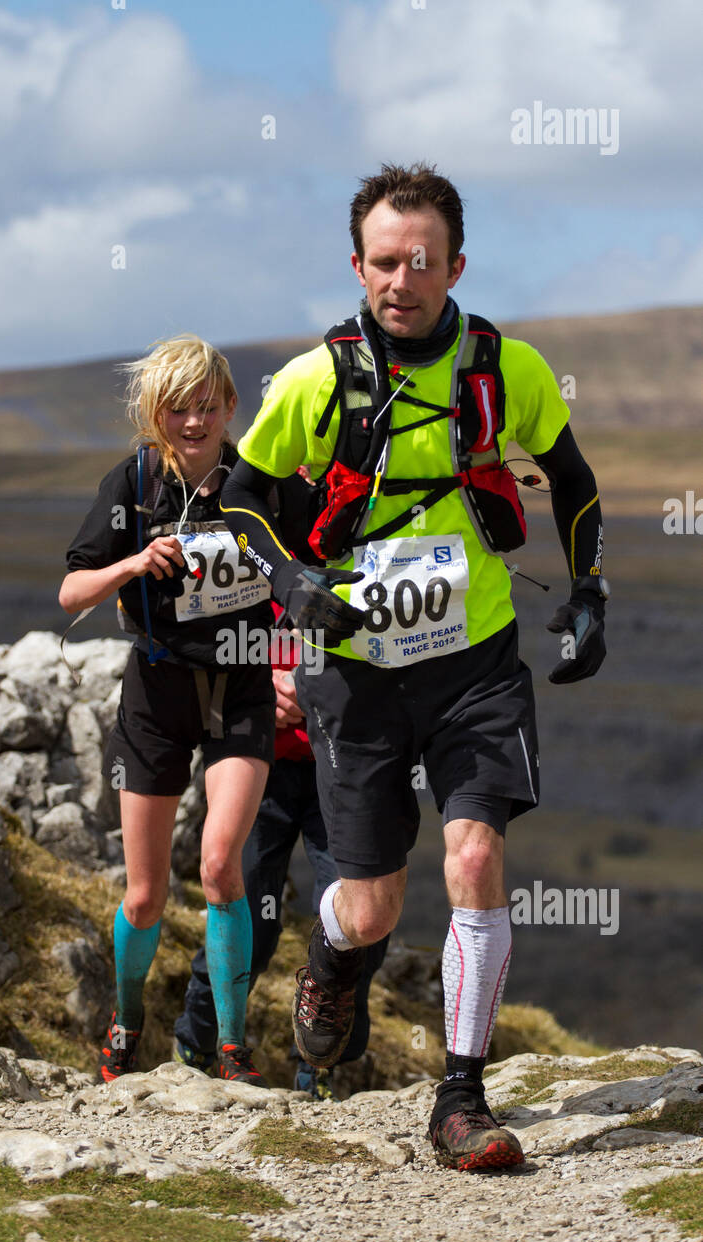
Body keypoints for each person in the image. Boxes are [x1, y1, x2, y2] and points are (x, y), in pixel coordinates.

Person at [218, 163, 608, 1169]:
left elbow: (571, 482)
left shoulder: (504, 369)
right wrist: (292, 580)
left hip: (474, 659)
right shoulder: (313, 382)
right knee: (373, 902)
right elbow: (241, 499)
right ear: (357, 265)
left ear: (454, 265)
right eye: (384, 261)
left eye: (421, 260)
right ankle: (335, 955)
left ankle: (459, 1097)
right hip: (356, 670)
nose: (402, 278)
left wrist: (588, 590)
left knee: (473, 852)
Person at [59, 333, 278, 1087]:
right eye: (178, 408)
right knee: (147, 895)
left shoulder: (257, 479)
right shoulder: (132, 483)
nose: (194, 421)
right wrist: (132, 561)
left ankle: (232, 1047)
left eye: (207, 406)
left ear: (230, 406)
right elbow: (71, 594)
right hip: (155, 693)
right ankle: (127, 1025)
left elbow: (317, 555)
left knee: (220, 867)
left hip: (243, 688)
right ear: (155, 412)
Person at [173, 592, 389, 1099]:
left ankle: (324, 1064)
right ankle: (196, 1045)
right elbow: (193, 650)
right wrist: (258, 688)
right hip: (255, 763)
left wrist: (311, 690)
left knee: (359, 918)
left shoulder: (354, 554)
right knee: (248, 917)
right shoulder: (245, 560)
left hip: (339, 767)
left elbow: (393, 659)